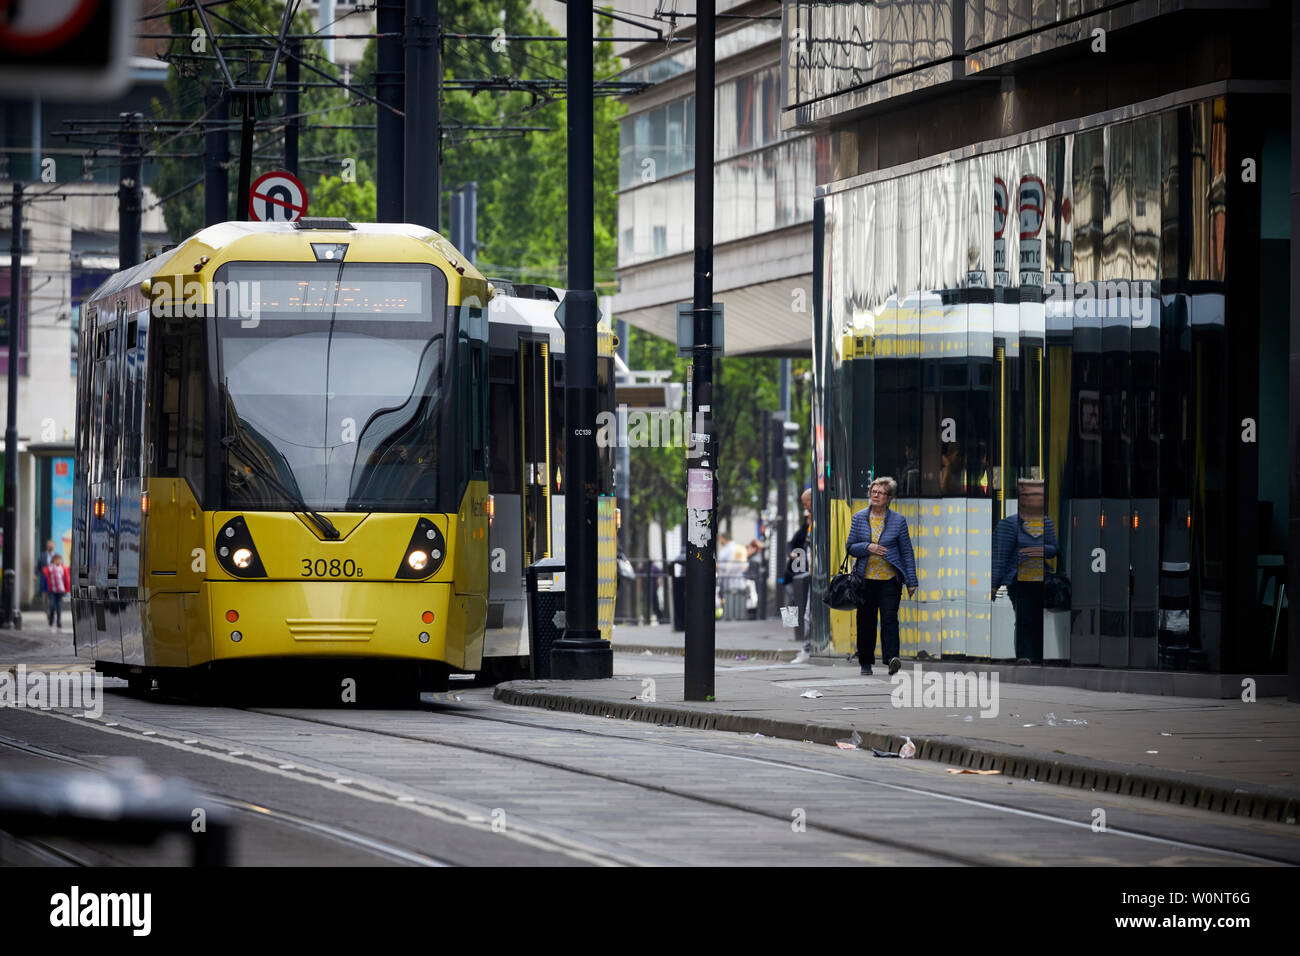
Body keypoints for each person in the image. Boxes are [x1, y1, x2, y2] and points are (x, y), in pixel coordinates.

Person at [846, 476, 918, 676]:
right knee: (866, 621)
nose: (875, 496)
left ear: (889, 498)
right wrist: (868, 547)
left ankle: (892, 658)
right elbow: (850, 547)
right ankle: (866, 662)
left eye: (880, 493)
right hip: (865, 580)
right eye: (873, 492)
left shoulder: (898, 521)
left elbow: (907, 552)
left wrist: (911, 581)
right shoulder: (859, 517)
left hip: (889, 580)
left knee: (889, 619)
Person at [992, 478, 1058, 664]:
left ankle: (1035, 656)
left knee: (1036, 620)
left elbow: (1054, 549)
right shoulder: (1009, 524)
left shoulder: (1046, 522)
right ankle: (1024, 656)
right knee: (1024, 619)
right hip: (1019, 580)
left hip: (1040, 578)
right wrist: (994, 585)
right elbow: (1000, 556)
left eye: (1038, 495)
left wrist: (1040, 550)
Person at [785, 488, 813, 643]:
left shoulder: (808, 528)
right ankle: (792, 627)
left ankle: (797, 631)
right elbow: (791, 544)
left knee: (797, 601)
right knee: (793, 600)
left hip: (801, 572)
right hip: (793, 573)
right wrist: (792, 554)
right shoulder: (803, 532)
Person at [43, 554, 70, 628]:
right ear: (54, 560)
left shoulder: (63, 568)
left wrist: (67, 589)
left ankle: (59, 621)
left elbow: (67, 579)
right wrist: (45, 589)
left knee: (59, 607)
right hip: (52, 591)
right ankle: (51, 618)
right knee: (51, 605)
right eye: (57, 559)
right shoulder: (50, 568)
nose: (59, 561)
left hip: (60, 591)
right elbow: (46, 579)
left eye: (60, 560)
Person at [35, 538, 55, 619]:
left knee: (52, 598)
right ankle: (47, 612)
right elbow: (38, 566)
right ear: (47, 546)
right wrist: (35, 574)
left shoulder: (56, 557)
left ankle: (52, 612)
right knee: (44, 599)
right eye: (48, 545)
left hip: (54, 581)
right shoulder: (42, 555)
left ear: (54, 546)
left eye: (51, 545)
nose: (50, 546)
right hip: (44, 580)